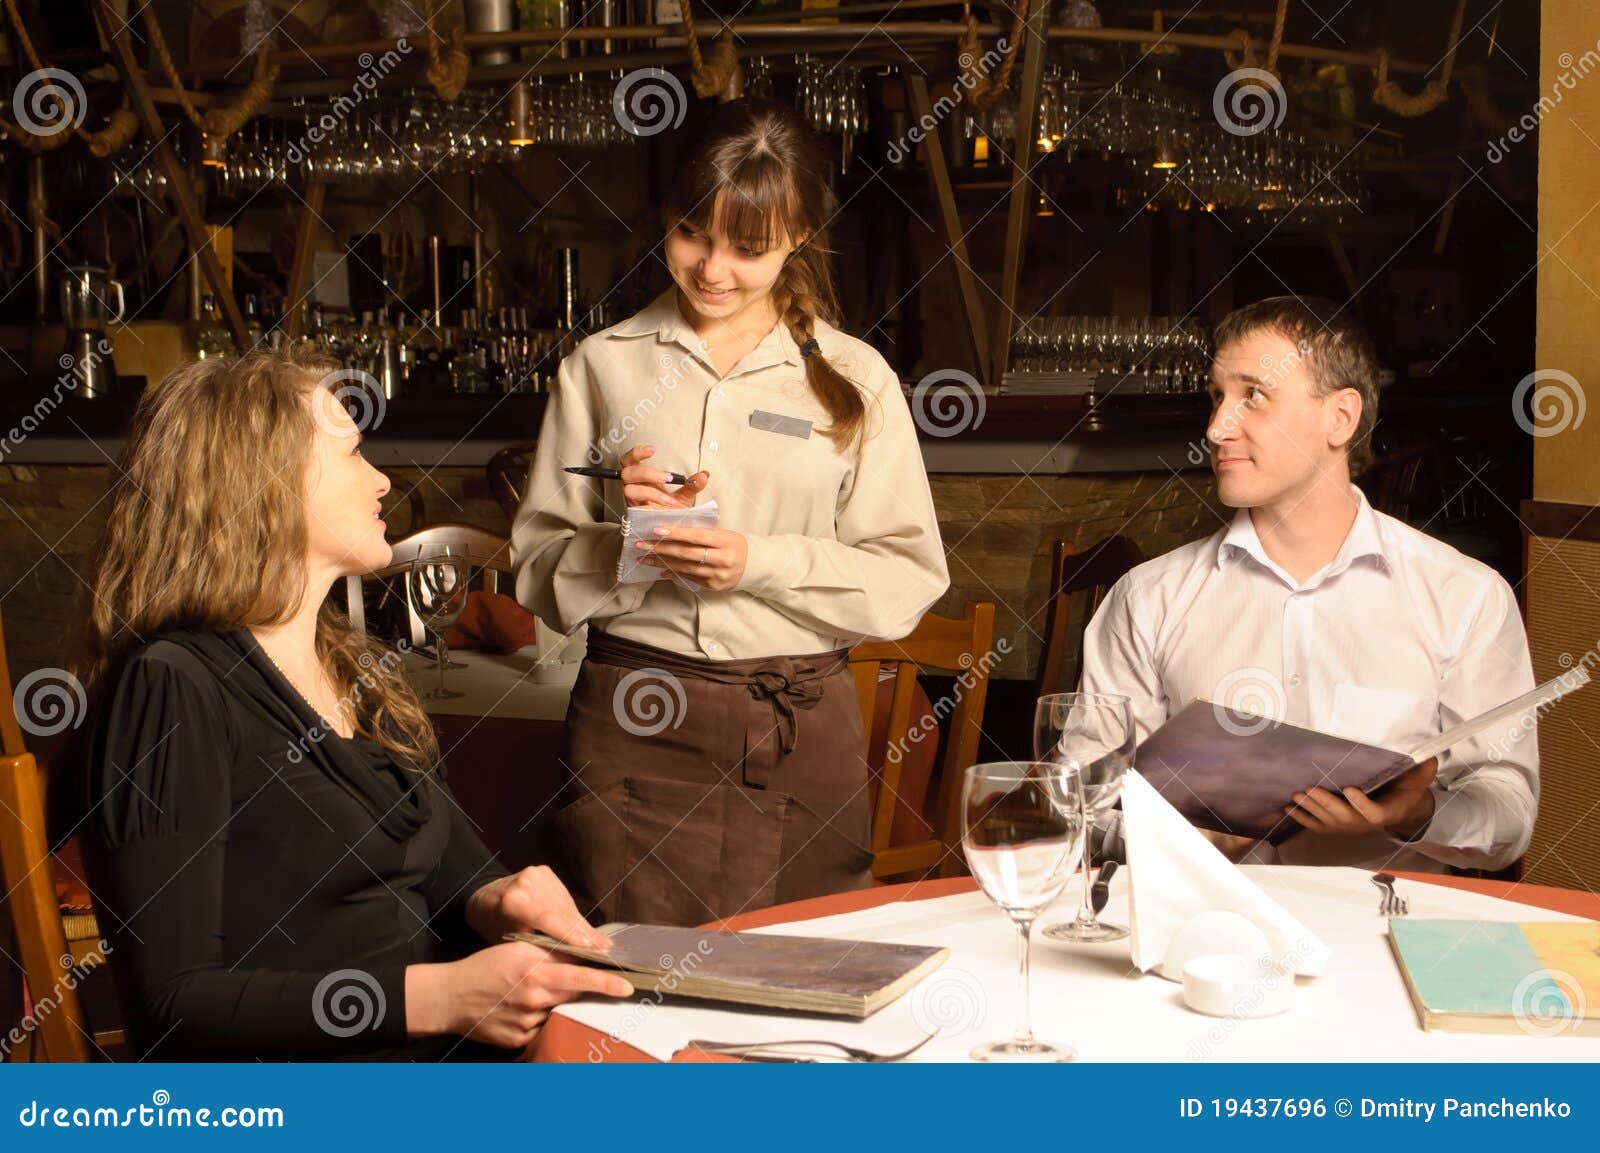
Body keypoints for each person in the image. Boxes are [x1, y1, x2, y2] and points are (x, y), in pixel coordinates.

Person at [50, 349, 631, 1060]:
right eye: (354, 454)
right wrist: (445, 996)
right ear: (264, 485)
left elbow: (454, 871)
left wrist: (505, 896)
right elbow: (174, 1001)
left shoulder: (356, 666)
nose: (383, 480)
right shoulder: (172, 686)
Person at [512, 100, 949, 925]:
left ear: (799, 237)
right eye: (691, 234)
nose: (713, 269)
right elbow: (535, 565)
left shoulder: (859, 378)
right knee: (630, 1000)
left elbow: (907, 576)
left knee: (806, 999)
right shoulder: (600, 366)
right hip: (634, 718)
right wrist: (635, 544)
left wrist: (758, 561)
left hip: (799, 728)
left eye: (748, 248)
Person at [1080, 296, 1537, 873]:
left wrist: (1416, 813)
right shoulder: (1147, 598)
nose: (1218, 426)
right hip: (1202, 940)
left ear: (1340, 418)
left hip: (1387, 942)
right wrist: (1165, 839)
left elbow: (1510, 815)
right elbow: (1082, 800)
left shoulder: (1465, 596)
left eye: (1254, 396)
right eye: (1217, 396)